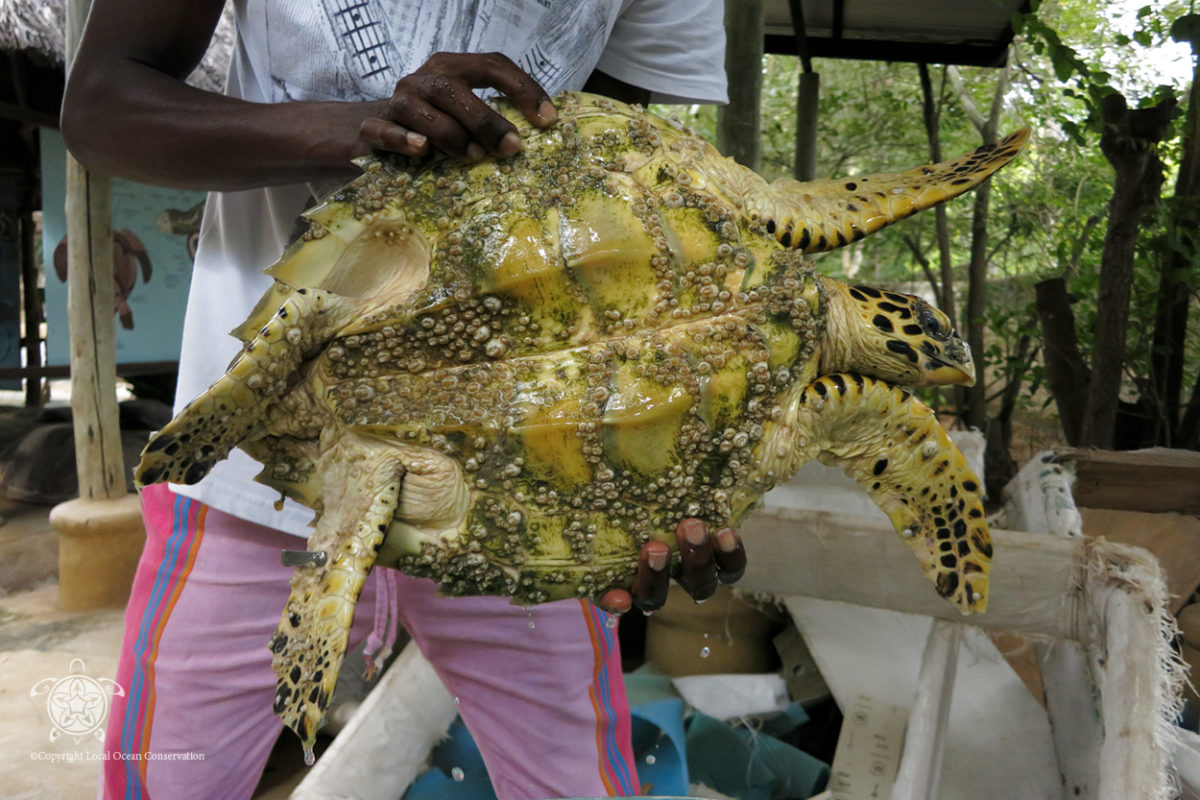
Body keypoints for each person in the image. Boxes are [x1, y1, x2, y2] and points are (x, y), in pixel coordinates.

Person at [63, 2, 746, 798]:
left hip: (512, 484)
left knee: (577, 782)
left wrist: (657, 460)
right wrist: (364, 127)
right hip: (252, 468)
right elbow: (103, 105)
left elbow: (612, 212)